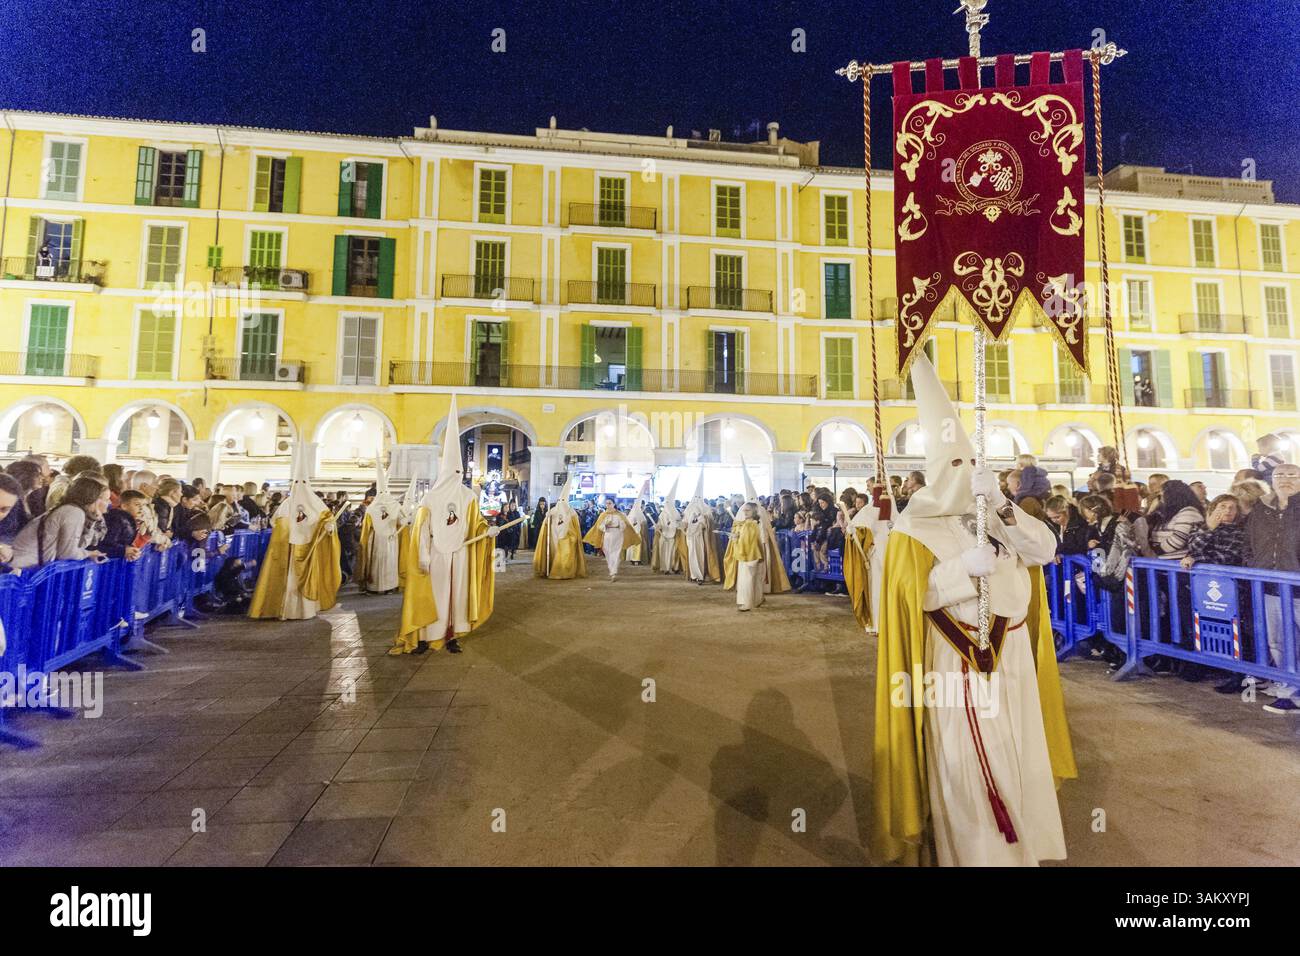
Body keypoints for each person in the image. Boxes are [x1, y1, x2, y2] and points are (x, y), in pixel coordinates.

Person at [871, 353, 1075, 867]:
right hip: (956, 660)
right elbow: (906, 596)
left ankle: (1024, 851)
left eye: (970, 464)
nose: (964, 474)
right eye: (953, 465)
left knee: (1019, 754)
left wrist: (1003, 508)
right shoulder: (913, 528)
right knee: (965, 765)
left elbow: (1043, 551)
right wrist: (962, 568)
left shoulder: (994, 514)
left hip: (1013, 661)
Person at [392, 395, 497, 655]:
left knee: (457, 596)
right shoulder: (431, 498)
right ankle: (427, 636)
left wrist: (488, 531)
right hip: (436, 555)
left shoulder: (468, 497)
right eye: (453, 472)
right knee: (434, 596)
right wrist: (424, 555)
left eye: (459, 473)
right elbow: (421, 531)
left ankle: (451, 635)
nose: (457, 477)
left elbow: (477, 525)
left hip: (460, 554)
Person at [249, 452, 341, 621]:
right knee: (290, 581)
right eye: (297, 482)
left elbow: (327, 521)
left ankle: (307, 609)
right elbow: (275, 522)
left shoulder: (316, 504)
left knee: (307, 580)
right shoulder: (287, 503)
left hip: (309, 549)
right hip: (290, 550)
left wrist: (328, 527)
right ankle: (288, 610)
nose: (300, 486)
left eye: (303, 482)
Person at [1242, 463, 1300, 713]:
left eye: (1292, 475)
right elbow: (1247, 542)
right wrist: (1253, 564)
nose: (1285, 480)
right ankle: (1290, 690)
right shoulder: (1261, 510)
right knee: (1277, 641)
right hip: (1270, 586)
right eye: (1279, 475)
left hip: (1296, 586)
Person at [9, 472, 110, 569]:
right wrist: (88, 553)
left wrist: (93, 520)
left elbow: (80, 544)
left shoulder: (71, 510)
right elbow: (67, 553)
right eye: (105, 499)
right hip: (23, 567)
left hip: (29, 566)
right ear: (93, 498)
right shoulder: (73, 512)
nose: (109, 502)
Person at [723, 459, 791, 601]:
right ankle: (750, 597)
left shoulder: (760, 511)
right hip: (745, 547)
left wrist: (764, 539)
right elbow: (738, 526)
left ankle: (759, 594)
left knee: (760, 571)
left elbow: (765, 526)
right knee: (747, 575)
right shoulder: (744, 511)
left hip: (760, 545)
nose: (747, 511)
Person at [356, 463, 404, 594]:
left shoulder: (394, 506)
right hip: (376, 540)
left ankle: (389, 586)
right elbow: (367, 526)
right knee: (377, 563)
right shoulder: (372, 508)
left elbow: (401, 521)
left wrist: (404, 521)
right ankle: (374, 586)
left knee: (390, 562)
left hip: (391, 539)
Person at [531, 477, 587, 579]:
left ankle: (564, 570)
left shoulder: (570, 511)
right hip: (554, 535)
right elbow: (547, 518)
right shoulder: (554, 510)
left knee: (565, 552)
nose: (561, 503)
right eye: (560, 500)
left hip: (565, 535)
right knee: (554, 551)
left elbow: (576, 522)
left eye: (563, 500)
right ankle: (553, 567)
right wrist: (547, 516)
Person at [583, 496, 641, 581]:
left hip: (617, 535)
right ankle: (612, 569)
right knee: (608, 553)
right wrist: (605, 525)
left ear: (614, 504)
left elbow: (624, 526)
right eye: (606, 503)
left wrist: (618, 525)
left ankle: (613, 572)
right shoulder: (603, 515)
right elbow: (599, 526)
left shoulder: (620, 515)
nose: (608, 505)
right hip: (607, 535)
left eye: (610, 503)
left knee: (616, 553)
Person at [725, 502, 768, 611]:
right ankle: (756, 599)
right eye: (744, 509)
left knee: (747, 579)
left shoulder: (753, 524)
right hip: (748, 554)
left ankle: (748, 603)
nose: (744, 511)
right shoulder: (747, 524)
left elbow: (749, 541)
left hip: (750, 555)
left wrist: (736, 538)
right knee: (751, 579)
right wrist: (735, 536)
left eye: (748, 510)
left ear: (753, 511)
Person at [682, 471, 721, 584]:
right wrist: (684, 525)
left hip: (701, 537)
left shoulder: (706, 508)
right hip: (690, 536)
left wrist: (702, 520)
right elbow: (685, 522)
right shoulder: (689, 509)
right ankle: (694, 574)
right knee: (692, 555)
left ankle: (701, 575)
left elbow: (709, 523)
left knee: (700, 555)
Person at [651, 477, 686, 575]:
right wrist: (658, 527)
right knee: (663, 552)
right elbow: (659, 524)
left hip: (673, 536)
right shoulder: (662, 514)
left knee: (672, 552)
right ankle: (664, 568)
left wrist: (677, 525)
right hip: (663, 535)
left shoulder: (676, 514)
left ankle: (672, 567)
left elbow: (680, 524)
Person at [624, 481, 651, 566]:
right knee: (634, 547)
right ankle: (634, 559)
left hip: (639, 533)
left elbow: (644, 523)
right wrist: (635, 524)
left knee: (638, 547)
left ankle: (637, 559)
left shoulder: (641, 513)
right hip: (634, 533)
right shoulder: (633, 513)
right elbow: (629, 523)